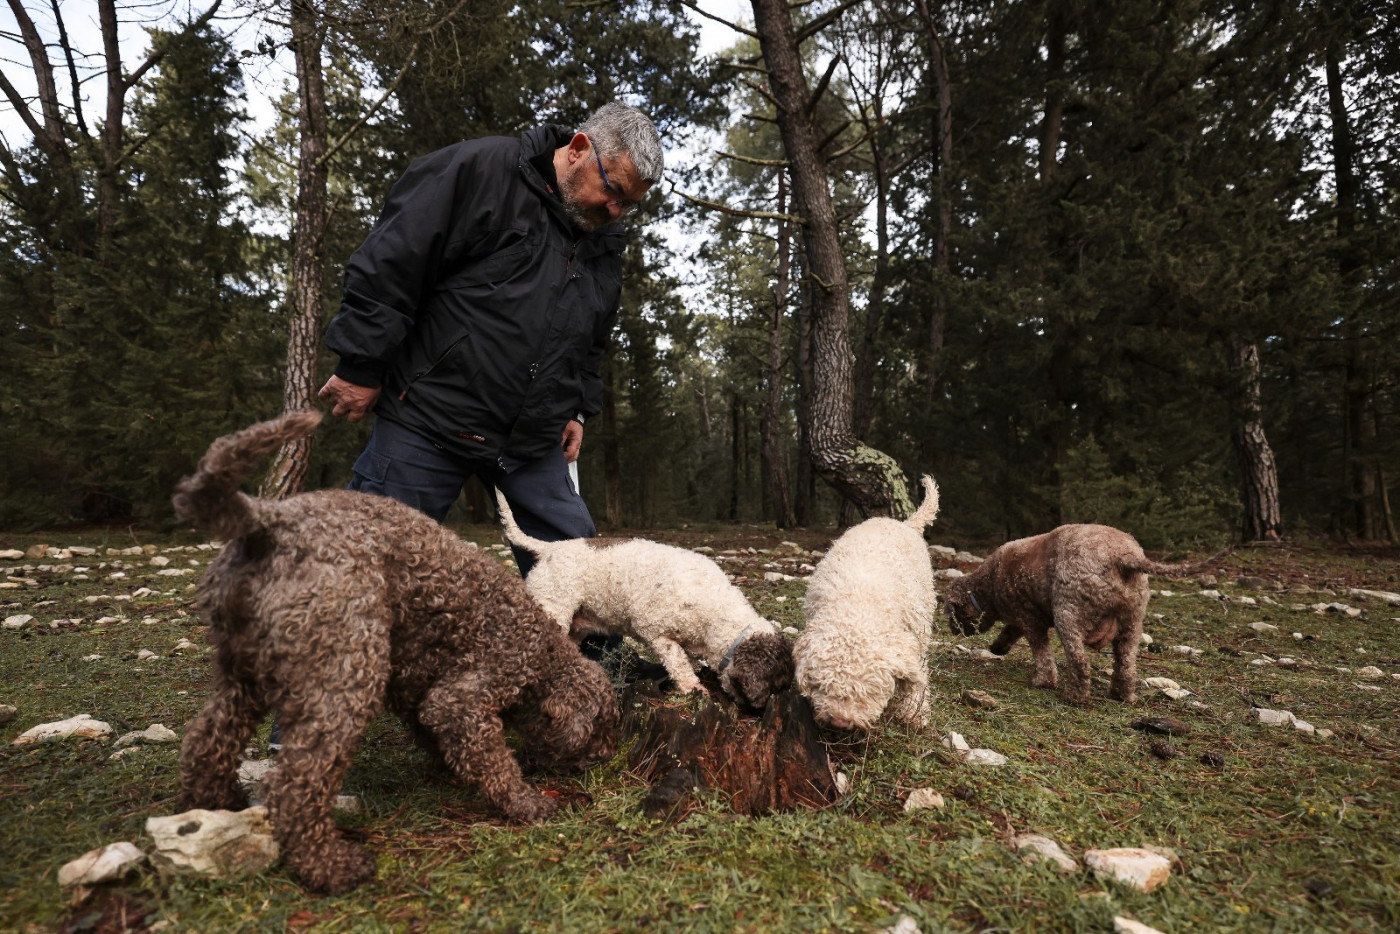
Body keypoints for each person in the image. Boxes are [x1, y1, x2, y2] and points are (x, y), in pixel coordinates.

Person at [317, 101, 663, 576]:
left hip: (531, 437)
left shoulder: (603, 239)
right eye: (614, 191)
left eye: (630, 205)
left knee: (581, 579)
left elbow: (592, 332)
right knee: (365, 565)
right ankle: (322, 650)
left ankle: (596, 655)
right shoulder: (481, 170)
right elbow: (392, 263)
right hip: (430, 415)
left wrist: (577, 408)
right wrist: (361, 363)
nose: (616, 210)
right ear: (580, 149)